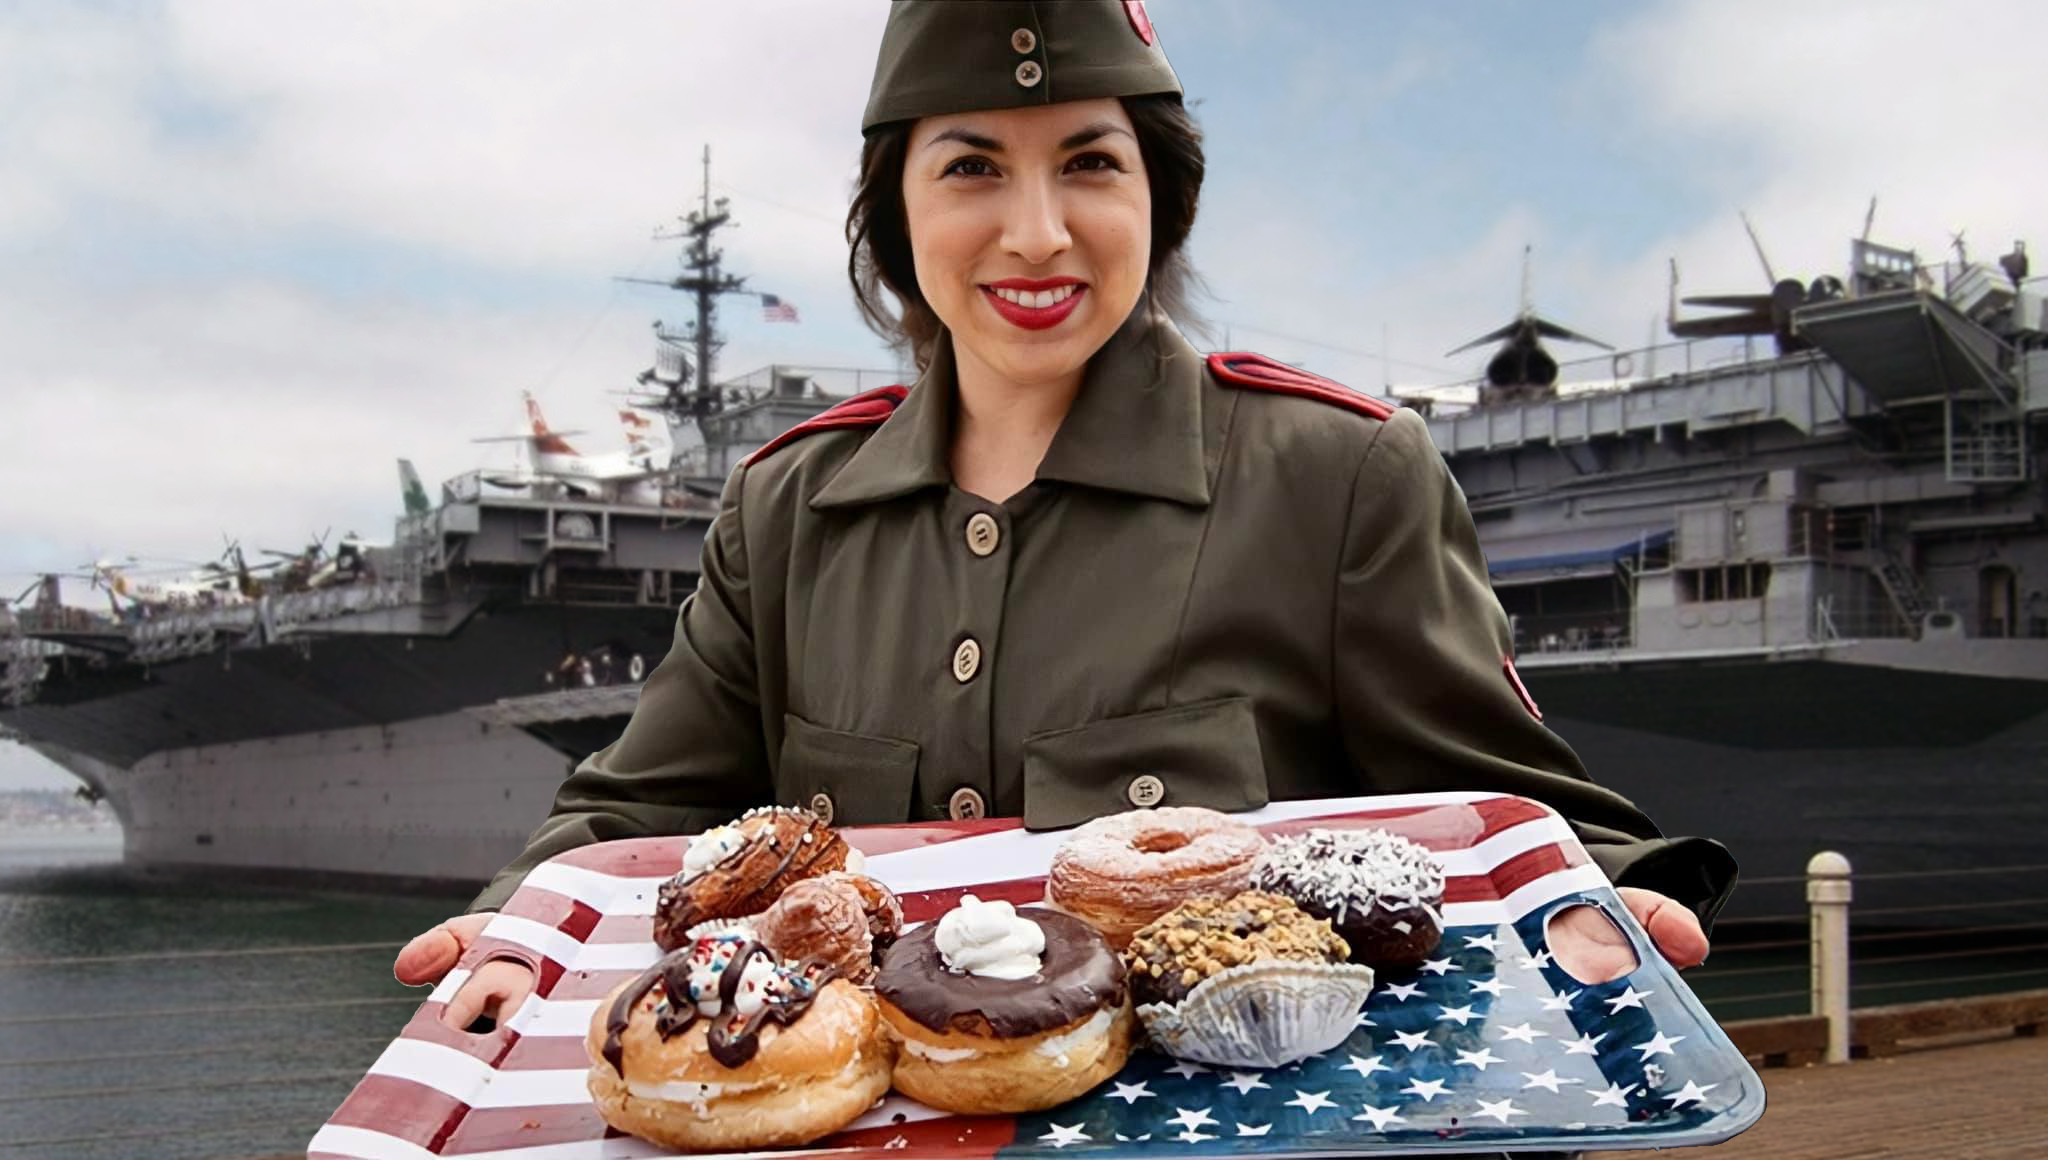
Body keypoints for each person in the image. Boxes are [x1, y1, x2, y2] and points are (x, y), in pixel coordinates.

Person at [396, 0, 1733, 1056]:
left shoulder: (1336, 476)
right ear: (893, 210)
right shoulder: (789, 506)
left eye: (1091, 163)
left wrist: (1603, 891)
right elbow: (642, 808)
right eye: (970, 165)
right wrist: (520, 929)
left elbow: (1506, 801)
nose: (1037, 234)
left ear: (1160, 197)